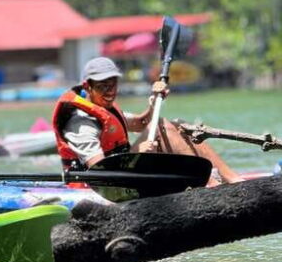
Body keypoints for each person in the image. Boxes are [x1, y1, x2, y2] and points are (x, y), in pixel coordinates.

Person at [52, 56, 242, 184]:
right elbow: (100, 172)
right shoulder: (81, 123)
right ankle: (211, 186)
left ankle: (232, 180)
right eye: (103, 87)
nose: (110, 92)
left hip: (123, 171)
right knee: (161, 127)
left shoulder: (104, 107)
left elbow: (142, 123)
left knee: (176, 125)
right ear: (88, 86)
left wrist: (154, 101)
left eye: (113, 85)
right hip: (104, 185)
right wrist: (140, 156)